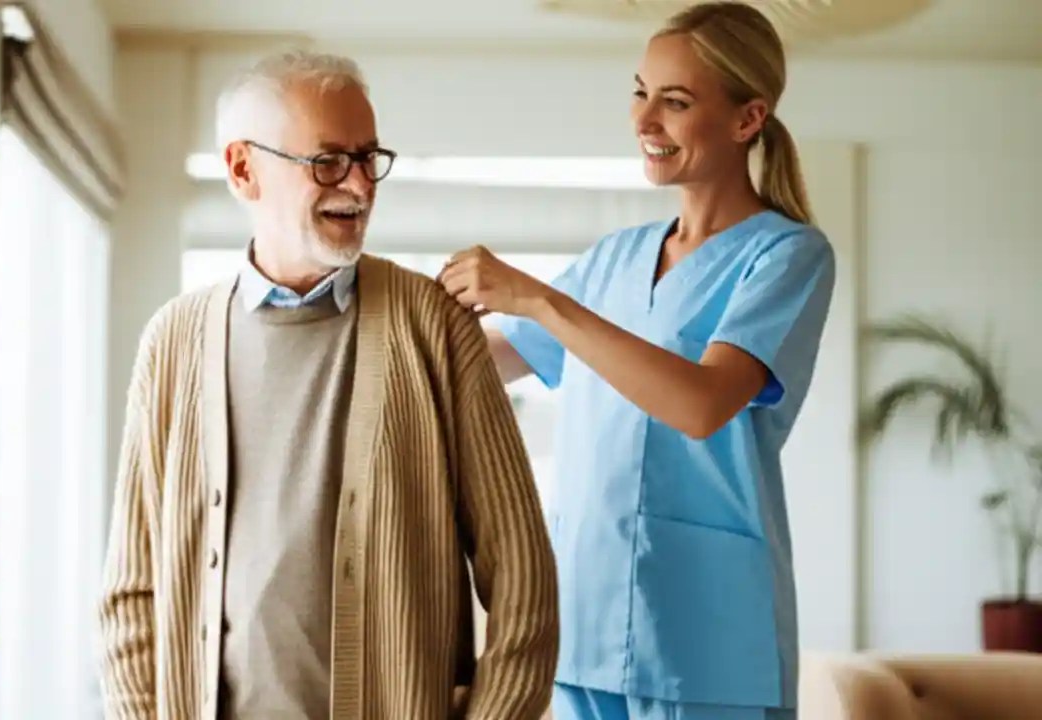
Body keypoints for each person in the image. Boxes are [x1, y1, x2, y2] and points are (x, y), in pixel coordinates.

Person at [98, 50, 558, 720]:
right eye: (328, 161)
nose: (360, 185)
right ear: (243, 169)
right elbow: (131, 591)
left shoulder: (434, 327)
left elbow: (523, 578)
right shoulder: (172, 341)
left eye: (369, 157)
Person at [438, 3, 834, 719]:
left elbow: (703, 402)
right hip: (582, 618)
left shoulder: (786, 255)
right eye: (640, 91)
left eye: (675, 101)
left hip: (707, 634)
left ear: (748, 119)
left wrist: (536, 297)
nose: (643, 120)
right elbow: (481, 367)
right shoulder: (614, 259)